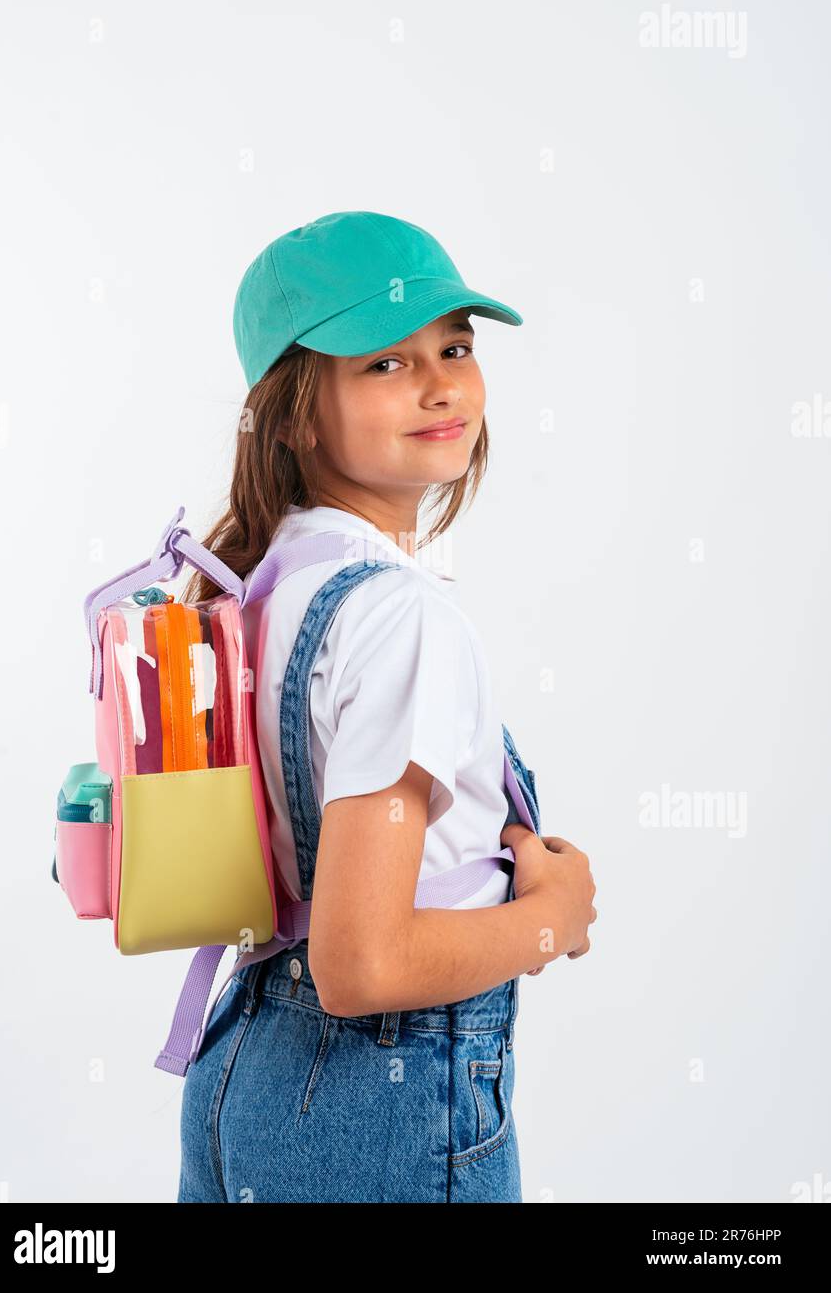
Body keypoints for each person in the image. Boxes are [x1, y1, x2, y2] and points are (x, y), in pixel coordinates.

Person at [176, 210, 597, 1203]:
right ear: (294, 411)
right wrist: (551, 916)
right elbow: (361, 963)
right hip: (373, 1106)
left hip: (246, 1068)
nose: (442, 381)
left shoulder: (256, 585)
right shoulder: (402, 618)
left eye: (454, 346)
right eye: (384, 363)